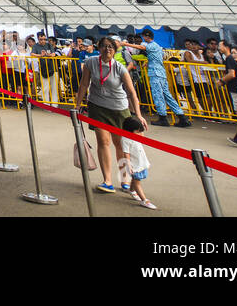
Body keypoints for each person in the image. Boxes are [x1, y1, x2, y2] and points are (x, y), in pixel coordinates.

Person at [75, 37, 148, 194]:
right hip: (97, 107)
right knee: (103, 141)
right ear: (98, 48)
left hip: (119, 108)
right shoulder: (91, 63)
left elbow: (131, 93)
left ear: (115, 51)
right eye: (104, 46)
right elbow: (83, 84)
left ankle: (125, 179)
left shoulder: (120, 68)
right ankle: (107, 180)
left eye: (111, 47)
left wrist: (139, 115)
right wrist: (77, 106)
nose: (107, 50)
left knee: (120, 144)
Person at [122, 30, 191, 127]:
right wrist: (148, 61)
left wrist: (124, 43)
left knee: (157, 95)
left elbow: (142, 47)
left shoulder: (151, 45)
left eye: (143, 37)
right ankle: (182, 116)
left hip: (155, 74)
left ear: (147, 36)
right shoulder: (158, 47)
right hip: (161, 73)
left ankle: (163, 117)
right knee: (167, 95)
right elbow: (157, 57)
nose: (142, 40)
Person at [120, 116, 157, 209]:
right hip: (134, 165)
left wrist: (141, 127)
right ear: (130, 130)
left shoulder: (136, 136)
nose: (140, 133)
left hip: (141, 162)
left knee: (136, 179)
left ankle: (131, 191)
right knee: (137, 182)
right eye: (138, 131)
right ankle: (144, 200)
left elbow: (143, 138)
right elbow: (126, 153)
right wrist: (128, 165)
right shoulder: (125, 139)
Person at [219, 39, 237, 118]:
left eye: (220, 46)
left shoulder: (229, 58)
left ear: (226, 47)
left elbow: (232, 74)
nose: (219, 48)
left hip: (235, 87)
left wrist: (221, 81)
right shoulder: (229, 58)